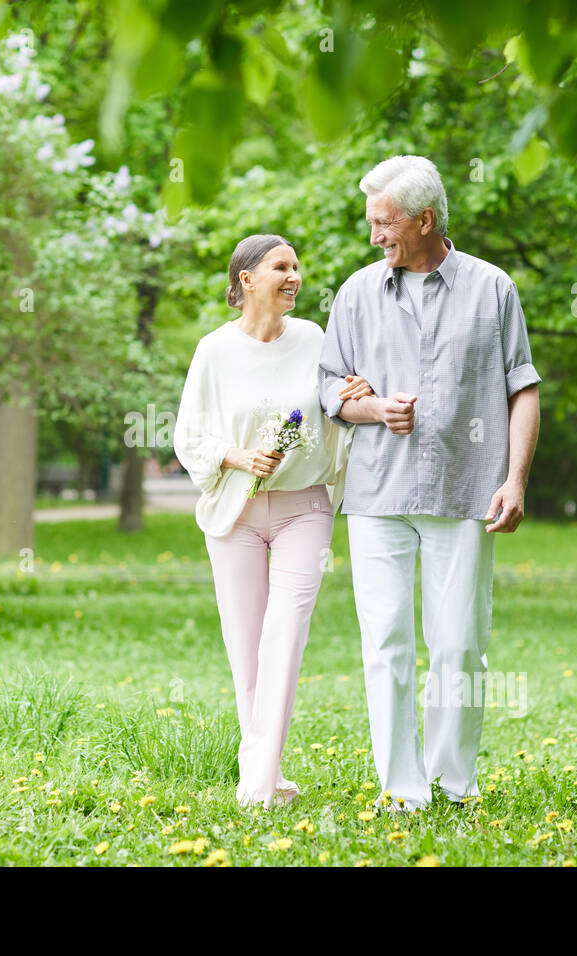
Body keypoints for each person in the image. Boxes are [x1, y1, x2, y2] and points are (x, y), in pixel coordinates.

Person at [318, 155, 541, 813]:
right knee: (384, 639)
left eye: (384, 223)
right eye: (371, 223)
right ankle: (403, 790)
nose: (374, 236)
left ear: (424, 219)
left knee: (459, 643)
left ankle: (453, 784)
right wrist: (371, 408)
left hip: (464, 488)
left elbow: (521, 387)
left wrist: (516, 480)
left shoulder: (492, 287)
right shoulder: (357, 292)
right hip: (377, 493)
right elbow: (330, 384)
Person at [174, 234, 373, 809]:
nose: (294, 276)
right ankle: (269, 774)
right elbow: (188, 437)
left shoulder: (314, 339)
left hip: (303, 508)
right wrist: (237, 457)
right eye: (280, 267)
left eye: (296, 267)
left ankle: (257, 787)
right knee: (246, 648)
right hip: (234, 512)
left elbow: (338, 403)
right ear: (245, 280)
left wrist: (354, 391)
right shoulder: (213, 350)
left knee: (284, 638)